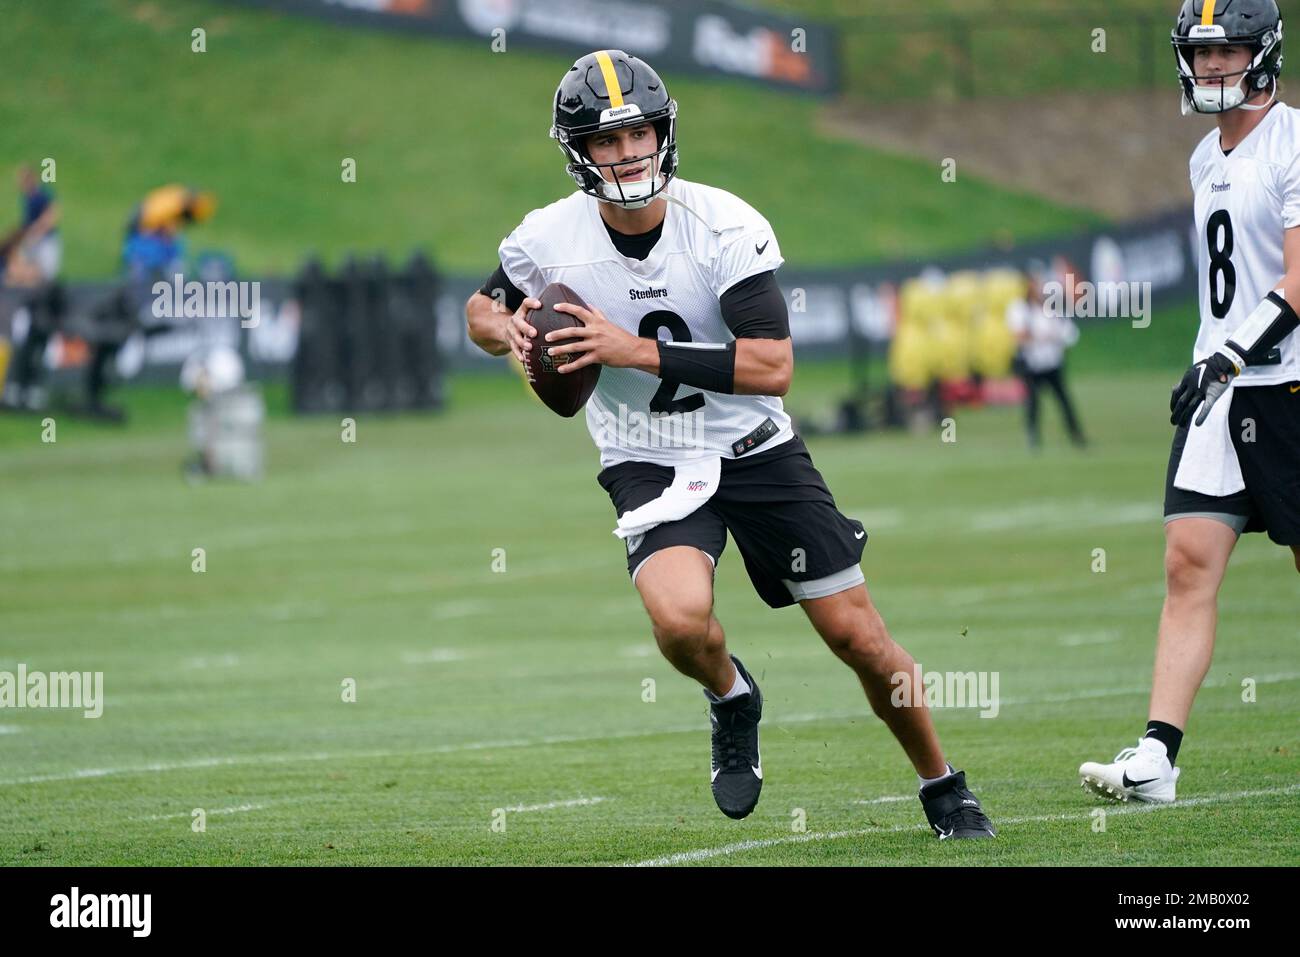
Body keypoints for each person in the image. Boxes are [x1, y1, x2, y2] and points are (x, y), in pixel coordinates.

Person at [465, 50, 995, 838]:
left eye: (638, 133)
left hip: (753, 444)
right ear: (578, 152)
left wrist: (631, 349)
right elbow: (479, 306)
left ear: (664, 132)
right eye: (606, 141)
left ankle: (943, 785)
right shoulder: (546, 236)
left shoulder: (722, 224)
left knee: (857, 635)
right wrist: (502, 328)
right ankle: (731, 694)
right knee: (680, 621)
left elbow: (774, 366)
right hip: (645, 452)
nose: (627, 153)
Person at [1080, 0, 1300, 804]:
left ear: (1264, 52)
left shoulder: (1294, 140)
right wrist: (1216, 356)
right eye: (1201, 53)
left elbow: (1298, 277)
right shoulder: (1205, 153)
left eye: (1229, 51)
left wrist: (1237, 349)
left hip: (1286, 385)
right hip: (1220, 383)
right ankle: (1156, 758)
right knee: (1186, 564)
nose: (1212, 67)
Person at [1006, 271, 1087, 449]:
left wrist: (1053, 337)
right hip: (1032, 364)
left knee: (1064, 400)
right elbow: (1019, 336)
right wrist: (1042, 337)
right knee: (1033, 403)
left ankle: (1076, 435)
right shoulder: (1020, 309)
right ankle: (1033, 437)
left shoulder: (1051, 308)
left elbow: (1069, 333)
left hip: (1052, 362)